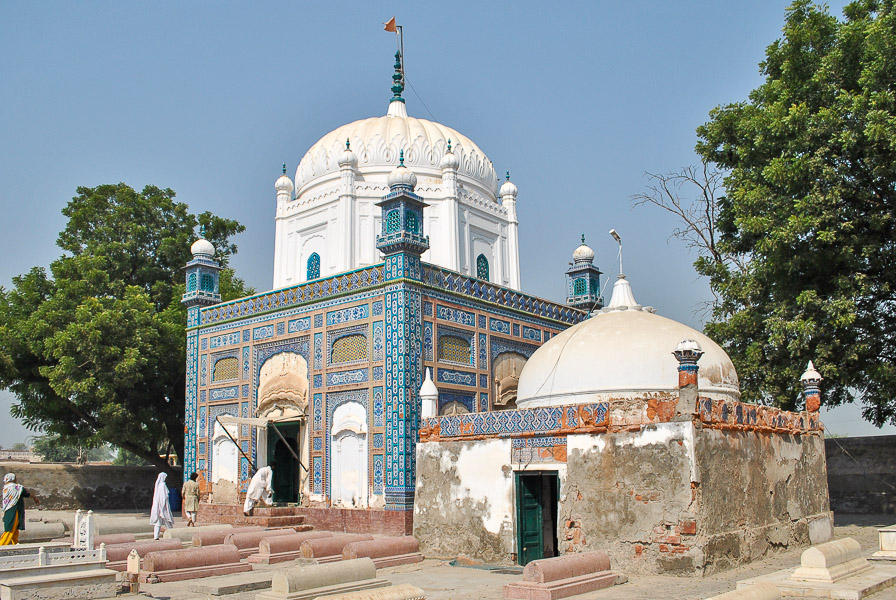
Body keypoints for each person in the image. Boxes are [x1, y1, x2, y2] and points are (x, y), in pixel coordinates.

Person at [2, 473, 38, 545]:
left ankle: (15, 544)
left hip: (7, 509)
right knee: (11, 529)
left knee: (14, 529)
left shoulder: (6, 487)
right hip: (14, 510)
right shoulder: (17, 487)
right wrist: (34, 497)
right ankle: (2, 545)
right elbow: (26, 494)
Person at [149, 472, 173, 540]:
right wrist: (163, 507)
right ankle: (172, 533)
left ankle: (156, 536)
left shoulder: (158, 485)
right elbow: (163, 497)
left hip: (157, 506)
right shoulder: (163, 485)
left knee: (158, 522)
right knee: (167, 520)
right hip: (163, 506)